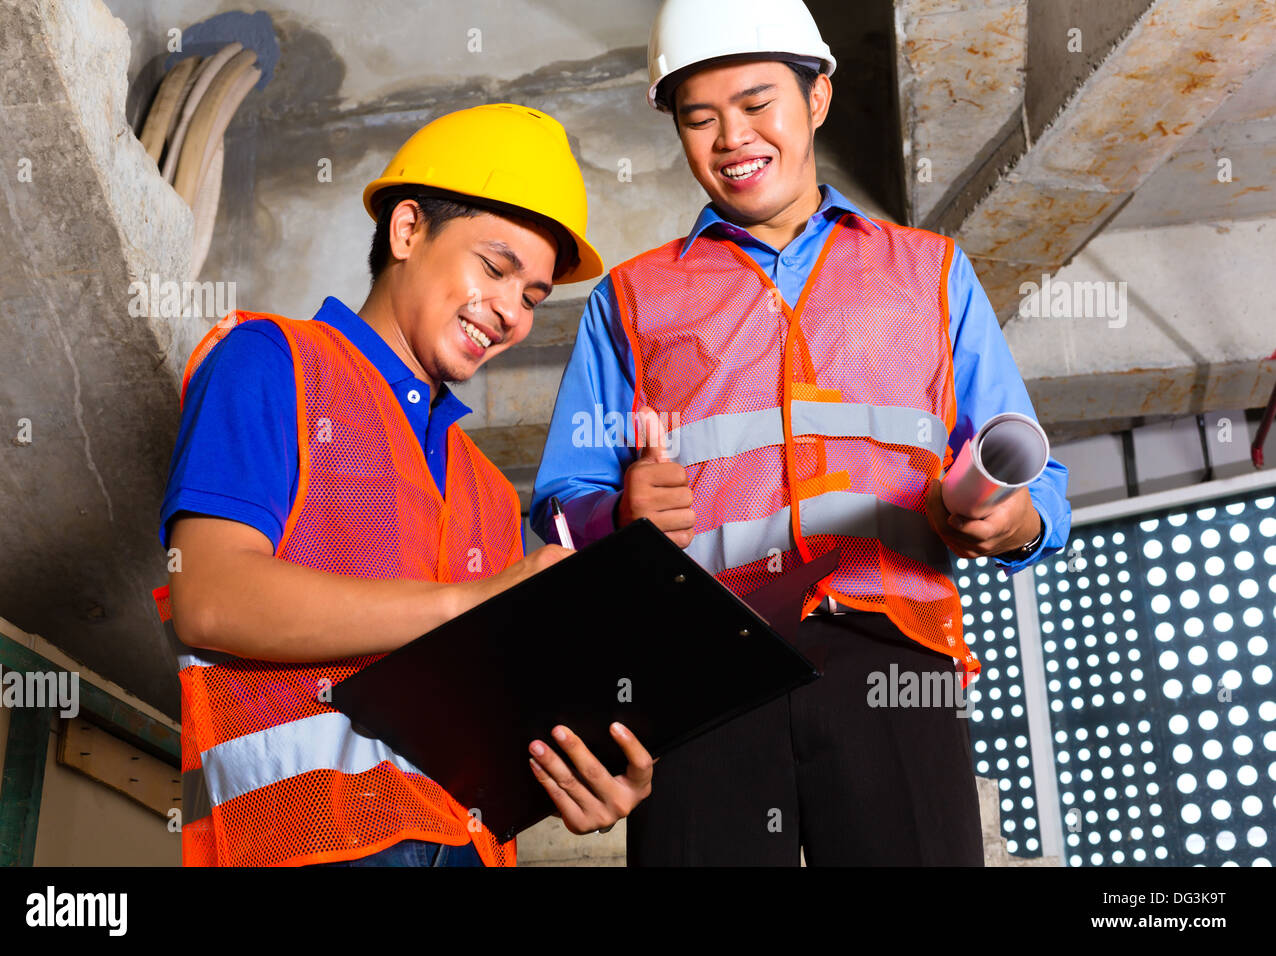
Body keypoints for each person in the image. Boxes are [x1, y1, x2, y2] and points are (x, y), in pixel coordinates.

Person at [530, 0, 1072, 865]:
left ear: (817, 97)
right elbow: (560, 505)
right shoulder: (630, 299)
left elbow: (1038, 485)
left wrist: (1016, 522)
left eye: (756, 105)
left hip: (890, 660)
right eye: (698, 119)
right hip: (698, 672)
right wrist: (616, 519)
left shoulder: (929, 273)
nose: (731, 138)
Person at [152, 103, 653, 867]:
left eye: (533, 297)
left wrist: (582, 772)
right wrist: (471, 603)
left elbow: (469, 710)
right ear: (408, 230)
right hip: (303, 849)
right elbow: (209, 597)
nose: (511, 313)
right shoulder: (271, 362)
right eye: (496, 268)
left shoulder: (484, 488)